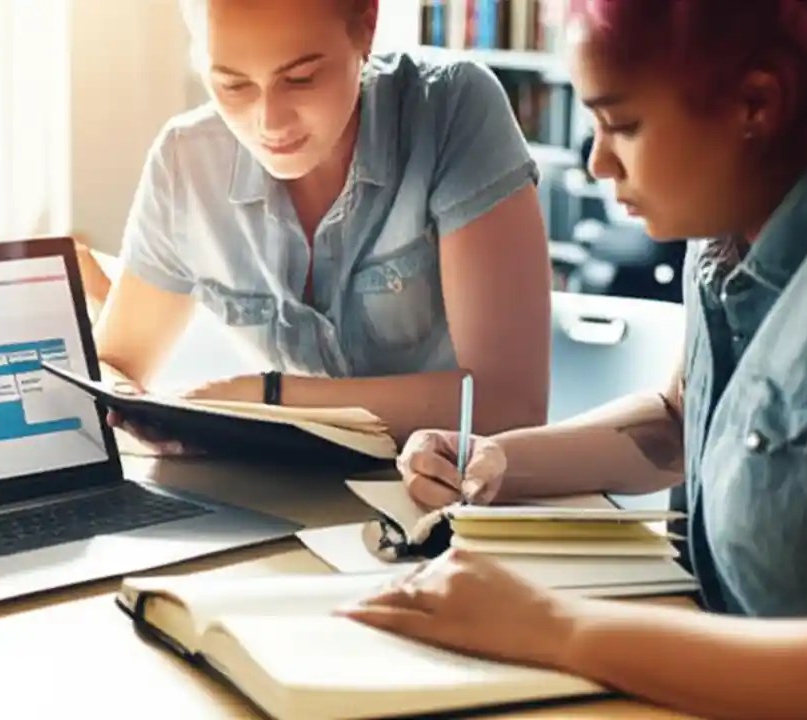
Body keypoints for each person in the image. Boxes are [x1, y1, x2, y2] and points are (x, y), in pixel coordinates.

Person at [342, 1, 807, 717]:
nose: (596, 162)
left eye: (622, 125)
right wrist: (497, 458)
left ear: (758, 102)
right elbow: (679, 422)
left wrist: (554, 629)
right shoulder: (724, 230)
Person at [93, 0, 553, 450]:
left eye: (301, 78)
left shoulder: (452, 108)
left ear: (367, 26)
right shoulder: (186, 162)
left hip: (441, 500)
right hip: (274, 497)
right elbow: (113, 365)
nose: (269, 122)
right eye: (233, 86)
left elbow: (508, 404)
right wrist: (144, 412)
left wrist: (266, 397)